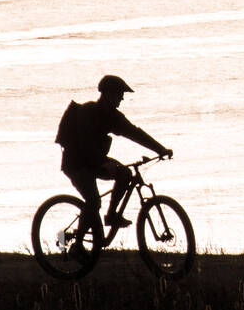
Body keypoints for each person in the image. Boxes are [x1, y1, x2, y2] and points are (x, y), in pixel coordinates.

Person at [59, 74, 172, 238]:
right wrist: (102, 163)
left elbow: (135, 133)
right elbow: (83, 145)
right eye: (120, 94)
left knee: (125, 173)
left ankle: (111, 215)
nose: (122, 99)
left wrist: (160, 149)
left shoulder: (113, 116)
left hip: (94, 161)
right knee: (94, 201)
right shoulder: (88, 111)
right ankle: (77, 245)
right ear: (108, 94)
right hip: (76, 163)